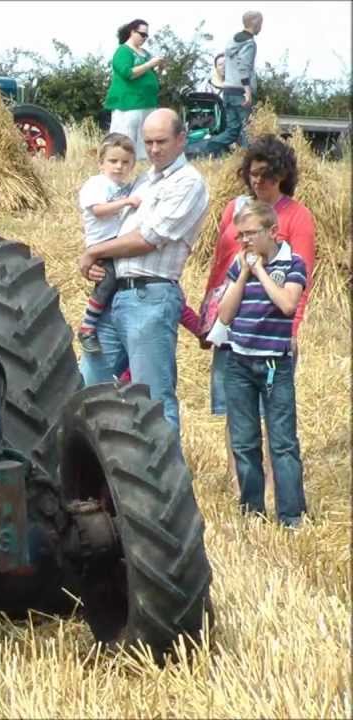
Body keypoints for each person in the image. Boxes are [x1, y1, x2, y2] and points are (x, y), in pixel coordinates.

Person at [77, 109, 209, 435]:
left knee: (153, 401)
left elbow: (148, 239)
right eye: (148, 142)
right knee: (88, 391)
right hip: (118, 294)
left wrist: (94, 252)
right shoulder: (145, 180)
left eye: (161, 141)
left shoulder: (188, 182)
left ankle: (166, 486)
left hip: (150, 296)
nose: (153, 149)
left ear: (181, 139)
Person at [199, 134, 315, 488]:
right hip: (232, 323)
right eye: (252, 173)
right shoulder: (233, 211)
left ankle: (269, 483)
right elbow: (221, 265)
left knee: (271, 410)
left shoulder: (296, 216)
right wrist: (210, 311)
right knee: (233, 407)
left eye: (265, 174)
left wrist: (292, 328)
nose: (257, 181)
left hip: (270, 330)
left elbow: (301, 274)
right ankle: (241, 482)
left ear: (281, 175)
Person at [215, 200, 307, 528]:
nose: (245, 241)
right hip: (239, 361)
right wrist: (242, 275)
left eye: (251, 234)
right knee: (244, 440)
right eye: (240, 235)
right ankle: (252, 512)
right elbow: (225, 315)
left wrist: (260, 272)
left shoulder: (293, 264)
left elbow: (287, 304)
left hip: (273, 363)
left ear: (272, 231)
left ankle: (291, 515)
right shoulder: (238, 264)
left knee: (282, 441)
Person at [76, 133, 142, 353]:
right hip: (101, 243)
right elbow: (98, 210)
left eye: (125, 162)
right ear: (101, 163)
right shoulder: (97, 184)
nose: (119, 167)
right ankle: (87, 326)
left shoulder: (125, 186)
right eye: (113, 161)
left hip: (118, 242)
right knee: (107, 281)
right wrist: (125, 203)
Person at [189, 11, 263, 159]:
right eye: (261, 23)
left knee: (231, 132)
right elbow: (244, 67)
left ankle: (197, 149)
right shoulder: (249, 43)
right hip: (240, 92)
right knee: (247, 131)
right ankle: (250, 162)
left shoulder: (232, 40)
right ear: (255, 23)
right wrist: (247, 91)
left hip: (228, 91)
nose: (261, 26)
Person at [103, 19, 165, 162]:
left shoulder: (145, 53)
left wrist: (159, 67)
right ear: (132, 32)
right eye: (142, 34)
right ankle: (122, 160)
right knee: (127, 135)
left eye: (146, 36)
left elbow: (150, 74)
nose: (144, 38)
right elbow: (128, 73)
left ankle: (143, 161)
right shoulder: (123, 51)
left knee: (146, 135)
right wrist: (150, 64)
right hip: (129, 102)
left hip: (147, 101)